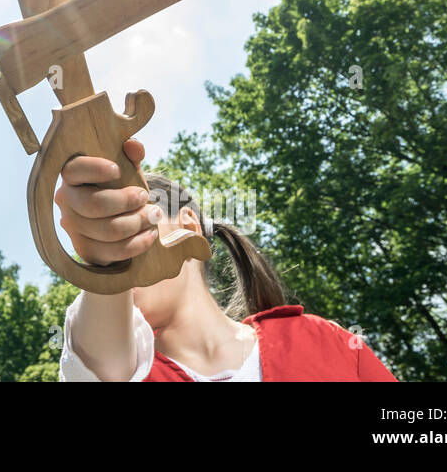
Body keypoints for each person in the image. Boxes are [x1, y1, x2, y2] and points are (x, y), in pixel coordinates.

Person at [55, 138, 398, 381]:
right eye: (108, 231)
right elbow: (98, 361)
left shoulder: (326, 340)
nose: (121, 241)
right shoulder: (118, 371)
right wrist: (105, 266)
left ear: (188, 224)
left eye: (139, 221)